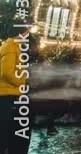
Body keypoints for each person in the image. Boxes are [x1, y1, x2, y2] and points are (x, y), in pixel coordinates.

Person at [1, 26, 31, 154]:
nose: (28, 37)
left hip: (9, 95)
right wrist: (22, 83)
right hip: (8, 96)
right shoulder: (11, 47)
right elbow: (6, 73)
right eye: (27, 33)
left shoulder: (12, 46)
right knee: (6, 133)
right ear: (22, 33)